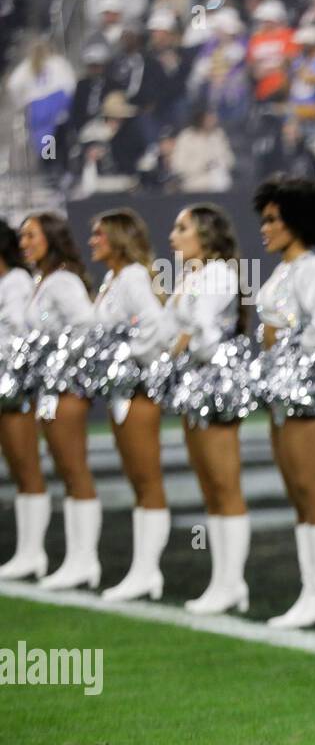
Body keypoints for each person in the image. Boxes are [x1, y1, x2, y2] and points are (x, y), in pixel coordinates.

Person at [251, 176, 315, 630]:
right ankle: (312, 591)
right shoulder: (284, 269)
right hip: (282, 393)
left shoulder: (309, 268)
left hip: (304, 395)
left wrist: (293, 356)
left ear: (297, 222)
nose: (263, 228)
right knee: (297, 493)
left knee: (312, 489)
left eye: (272, 220)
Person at [155, 204, 254, 614]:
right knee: (210, 487)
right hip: (194, 384)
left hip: (215, 383)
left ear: (205, 237)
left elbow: (209, 337)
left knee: (224, 485)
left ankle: (232, 583)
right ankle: (223, 580)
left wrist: (187, 339)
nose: (173, 236)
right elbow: (171, 329)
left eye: (182, 229)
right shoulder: (191, 275)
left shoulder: (218, 275)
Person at [87, 209, 177, 600]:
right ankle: (143, 571)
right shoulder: (114, 278)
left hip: (137, 393)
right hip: (121, 394)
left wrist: (128, 360)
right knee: (137, 483)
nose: (93, 241)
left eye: (100, 235)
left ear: (120, 239)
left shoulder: (135, 277)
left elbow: (156, 326)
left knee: (147, 480)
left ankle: (148, 571)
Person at [20, 214, 98, 590]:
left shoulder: (63, 280)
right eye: (21, 236)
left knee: (74, 470)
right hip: (50, 389)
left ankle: (85, 560)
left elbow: (86, 324)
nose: (24, 242)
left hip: (66, 388)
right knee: (66, 472)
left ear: (50, 238)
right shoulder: (42, 280)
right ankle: (75, 558)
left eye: (31, 235)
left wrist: (59, 363)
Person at [0, 218, 44, 580]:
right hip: (5, 386)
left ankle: (33, 552)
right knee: (17, 470)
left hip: (17, 386)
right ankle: (26, 550)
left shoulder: (16, 281)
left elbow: (19, 333)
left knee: (26, 467)